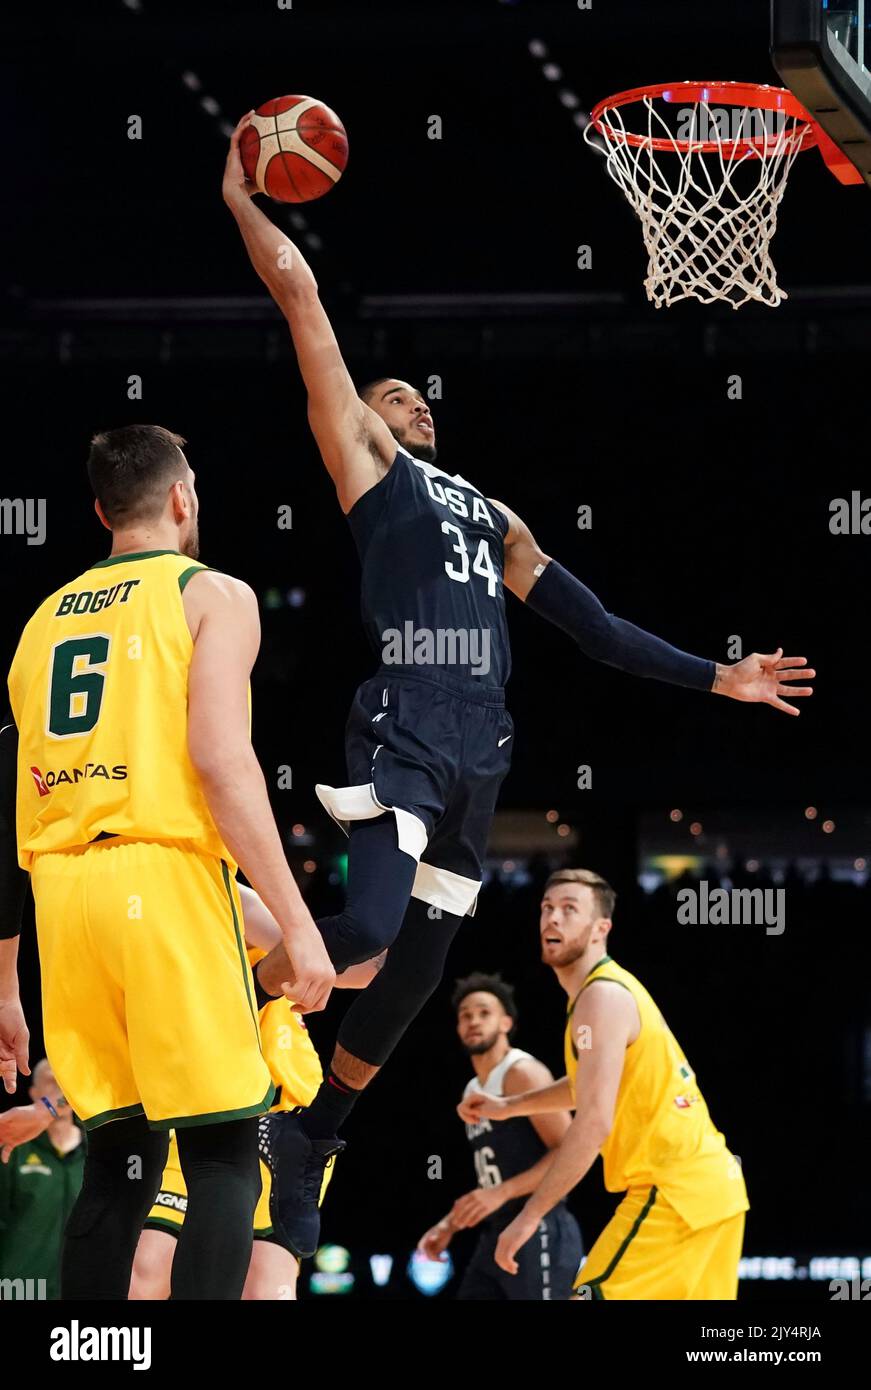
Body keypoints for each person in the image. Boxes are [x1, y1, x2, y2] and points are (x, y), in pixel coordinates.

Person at [222, 112, 813, 1261]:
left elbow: (587, 624)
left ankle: (318, 1130)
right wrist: (247, 206)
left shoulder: (494, 514)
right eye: (397, 396)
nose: (415, 405)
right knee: (369, 930)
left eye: (419, 399)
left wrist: (715, 677)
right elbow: (301, 298)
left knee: (424, 964)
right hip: (402, 718)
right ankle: (223, 948)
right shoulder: (366, 460)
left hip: (480, 747)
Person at [2, 424, 333, 1299]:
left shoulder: (38, 625)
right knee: (224, 1149)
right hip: (161, 876)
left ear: (101, 510)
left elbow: (8, 820)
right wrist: (297, 926)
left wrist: (5, 989)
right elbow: (224, 762)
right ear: (182, 499)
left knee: (116, 1158)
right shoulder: (211, 593)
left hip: (62, 893)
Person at [459, 869, 749, 1300]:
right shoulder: (598, 997)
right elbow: (586, 1085)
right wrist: (509, 1106)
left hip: (674, 1193)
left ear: (601, 929)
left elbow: (593, 1123)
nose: (552, 920)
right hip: (714, 1191)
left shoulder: (601, 998)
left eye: (569, 910)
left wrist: (530, 1215)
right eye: (547, 909)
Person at [129, 887, 381, 1300]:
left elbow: (360, 972)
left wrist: (417, 909)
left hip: (285, 1128)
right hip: (196, 1111)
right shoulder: (140, 902)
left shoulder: (231, 896)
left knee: (268, 1293)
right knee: (146, 1273)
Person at [418, 972, 582, 1300]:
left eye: (484, 1013)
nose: (473, 1021)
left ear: (506, 1023)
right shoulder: (473, 1090)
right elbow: (492, 1178)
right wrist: (449, 1224)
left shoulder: (522, 1073)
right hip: (498, 1228)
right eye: (465, 1016)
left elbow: (570, 1150)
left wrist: (501, 1193)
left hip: (540, 1223)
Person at [0, 1058, 84, 1299]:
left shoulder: (98, 1153)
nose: (60, 1088)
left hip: (82, 1288)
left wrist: (48, 1107)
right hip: (21, 1289)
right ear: (33, 1093)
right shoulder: (13, 1151)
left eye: (64, 1081)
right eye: (51, 1081)